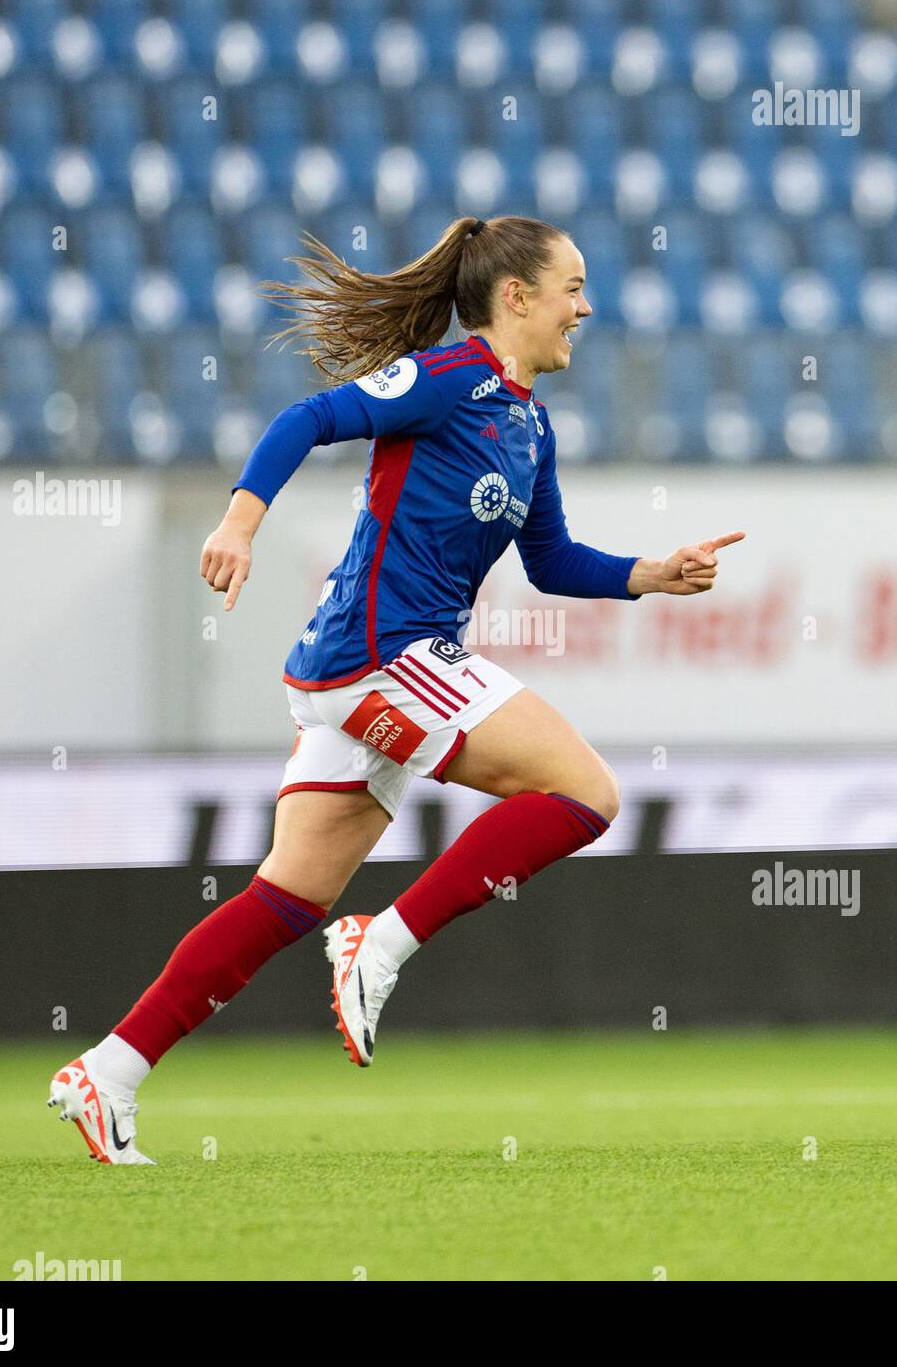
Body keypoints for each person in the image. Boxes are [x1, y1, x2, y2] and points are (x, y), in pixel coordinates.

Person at [48, 215, 743, 1163]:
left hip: (368, 670)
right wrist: (240, 523)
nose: (587, 306)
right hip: (384, 655)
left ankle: (108, 1073)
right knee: (585, 793)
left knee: (286, 898)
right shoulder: (449, 382)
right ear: (516, 297)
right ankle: (380, 942)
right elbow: (308, 418)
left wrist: (652, 574)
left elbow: (551, 560)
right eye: (573, 287)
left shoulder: (525, 423)